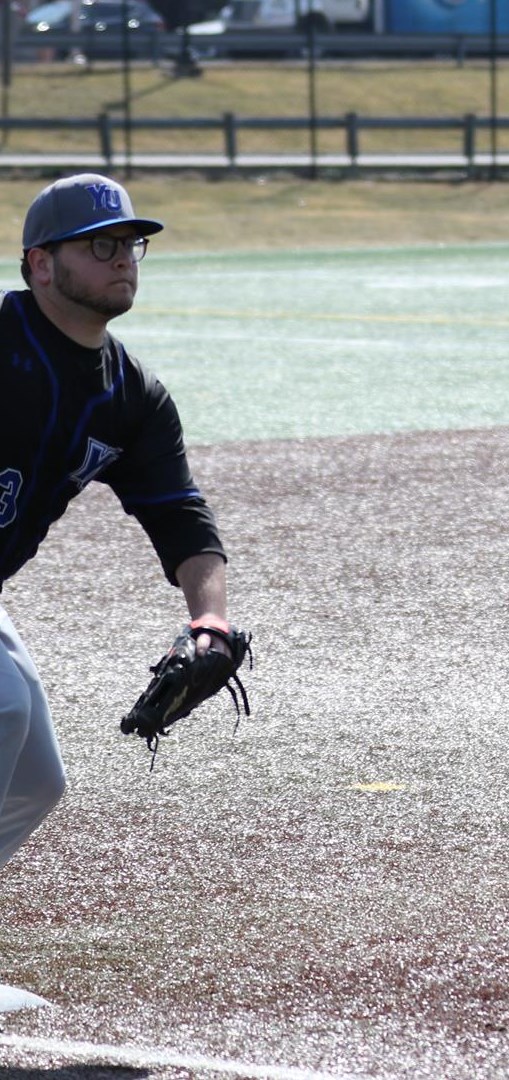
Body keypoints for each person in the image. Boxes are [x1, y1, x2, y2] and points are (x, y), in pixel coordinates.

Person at [2, 175, 237, 1004]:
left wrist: (208, 616)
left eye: (130, 244)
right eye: (99, 244)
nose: (122, 261)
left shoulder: (130, 394)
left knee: (32, 779)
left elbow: (181, 516)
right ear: (40, 263)